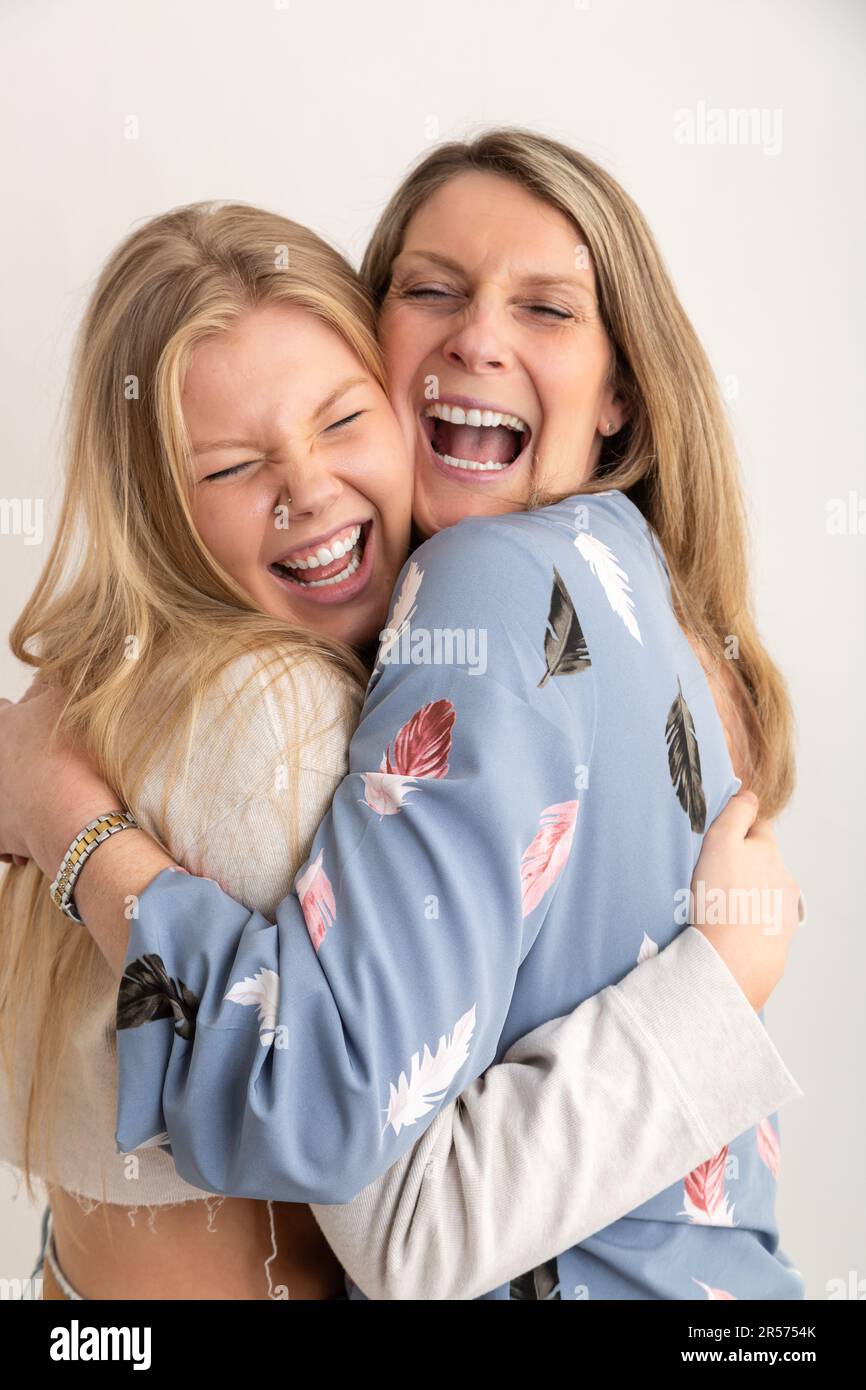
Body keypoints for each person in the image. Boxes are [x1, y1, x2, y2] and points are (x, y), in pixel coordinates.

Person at [0, 132, 803, 1302]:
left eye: (547, 308)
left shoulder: (482, 583)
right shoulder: (637, 587)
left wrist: (68, 820)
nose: (477, 336)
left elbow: (373, 1186)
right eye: (431, 289)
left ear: (622, 386)